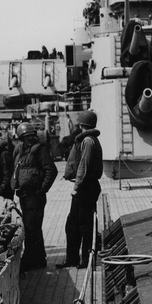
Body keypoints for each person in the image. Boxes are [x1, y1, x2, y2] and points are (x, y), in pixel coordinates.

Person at [57, 110, 103, 269]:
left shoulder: (88, 141)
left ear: (81, 123)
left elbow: (83, 166)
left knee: (85, 226)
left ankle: (86, 260)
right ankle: (72, 259)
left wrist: (76, 187)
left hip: (86, 188)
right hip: (85, 187)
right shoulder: (89, 140)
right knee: (72, 225)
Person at [11, 122, 57, 270]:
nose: (30, 139)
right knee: (33, 228)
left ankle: (30, 260)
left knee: (32, 228)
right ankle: (39, 259)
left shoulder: (40, 150)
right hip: (24, 195)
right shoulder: (20, 151)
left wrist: (42, 190)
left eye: (32, 136)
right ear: (21, 138)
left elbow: (51, 171)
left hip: (35, 195)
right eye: (26, 137)